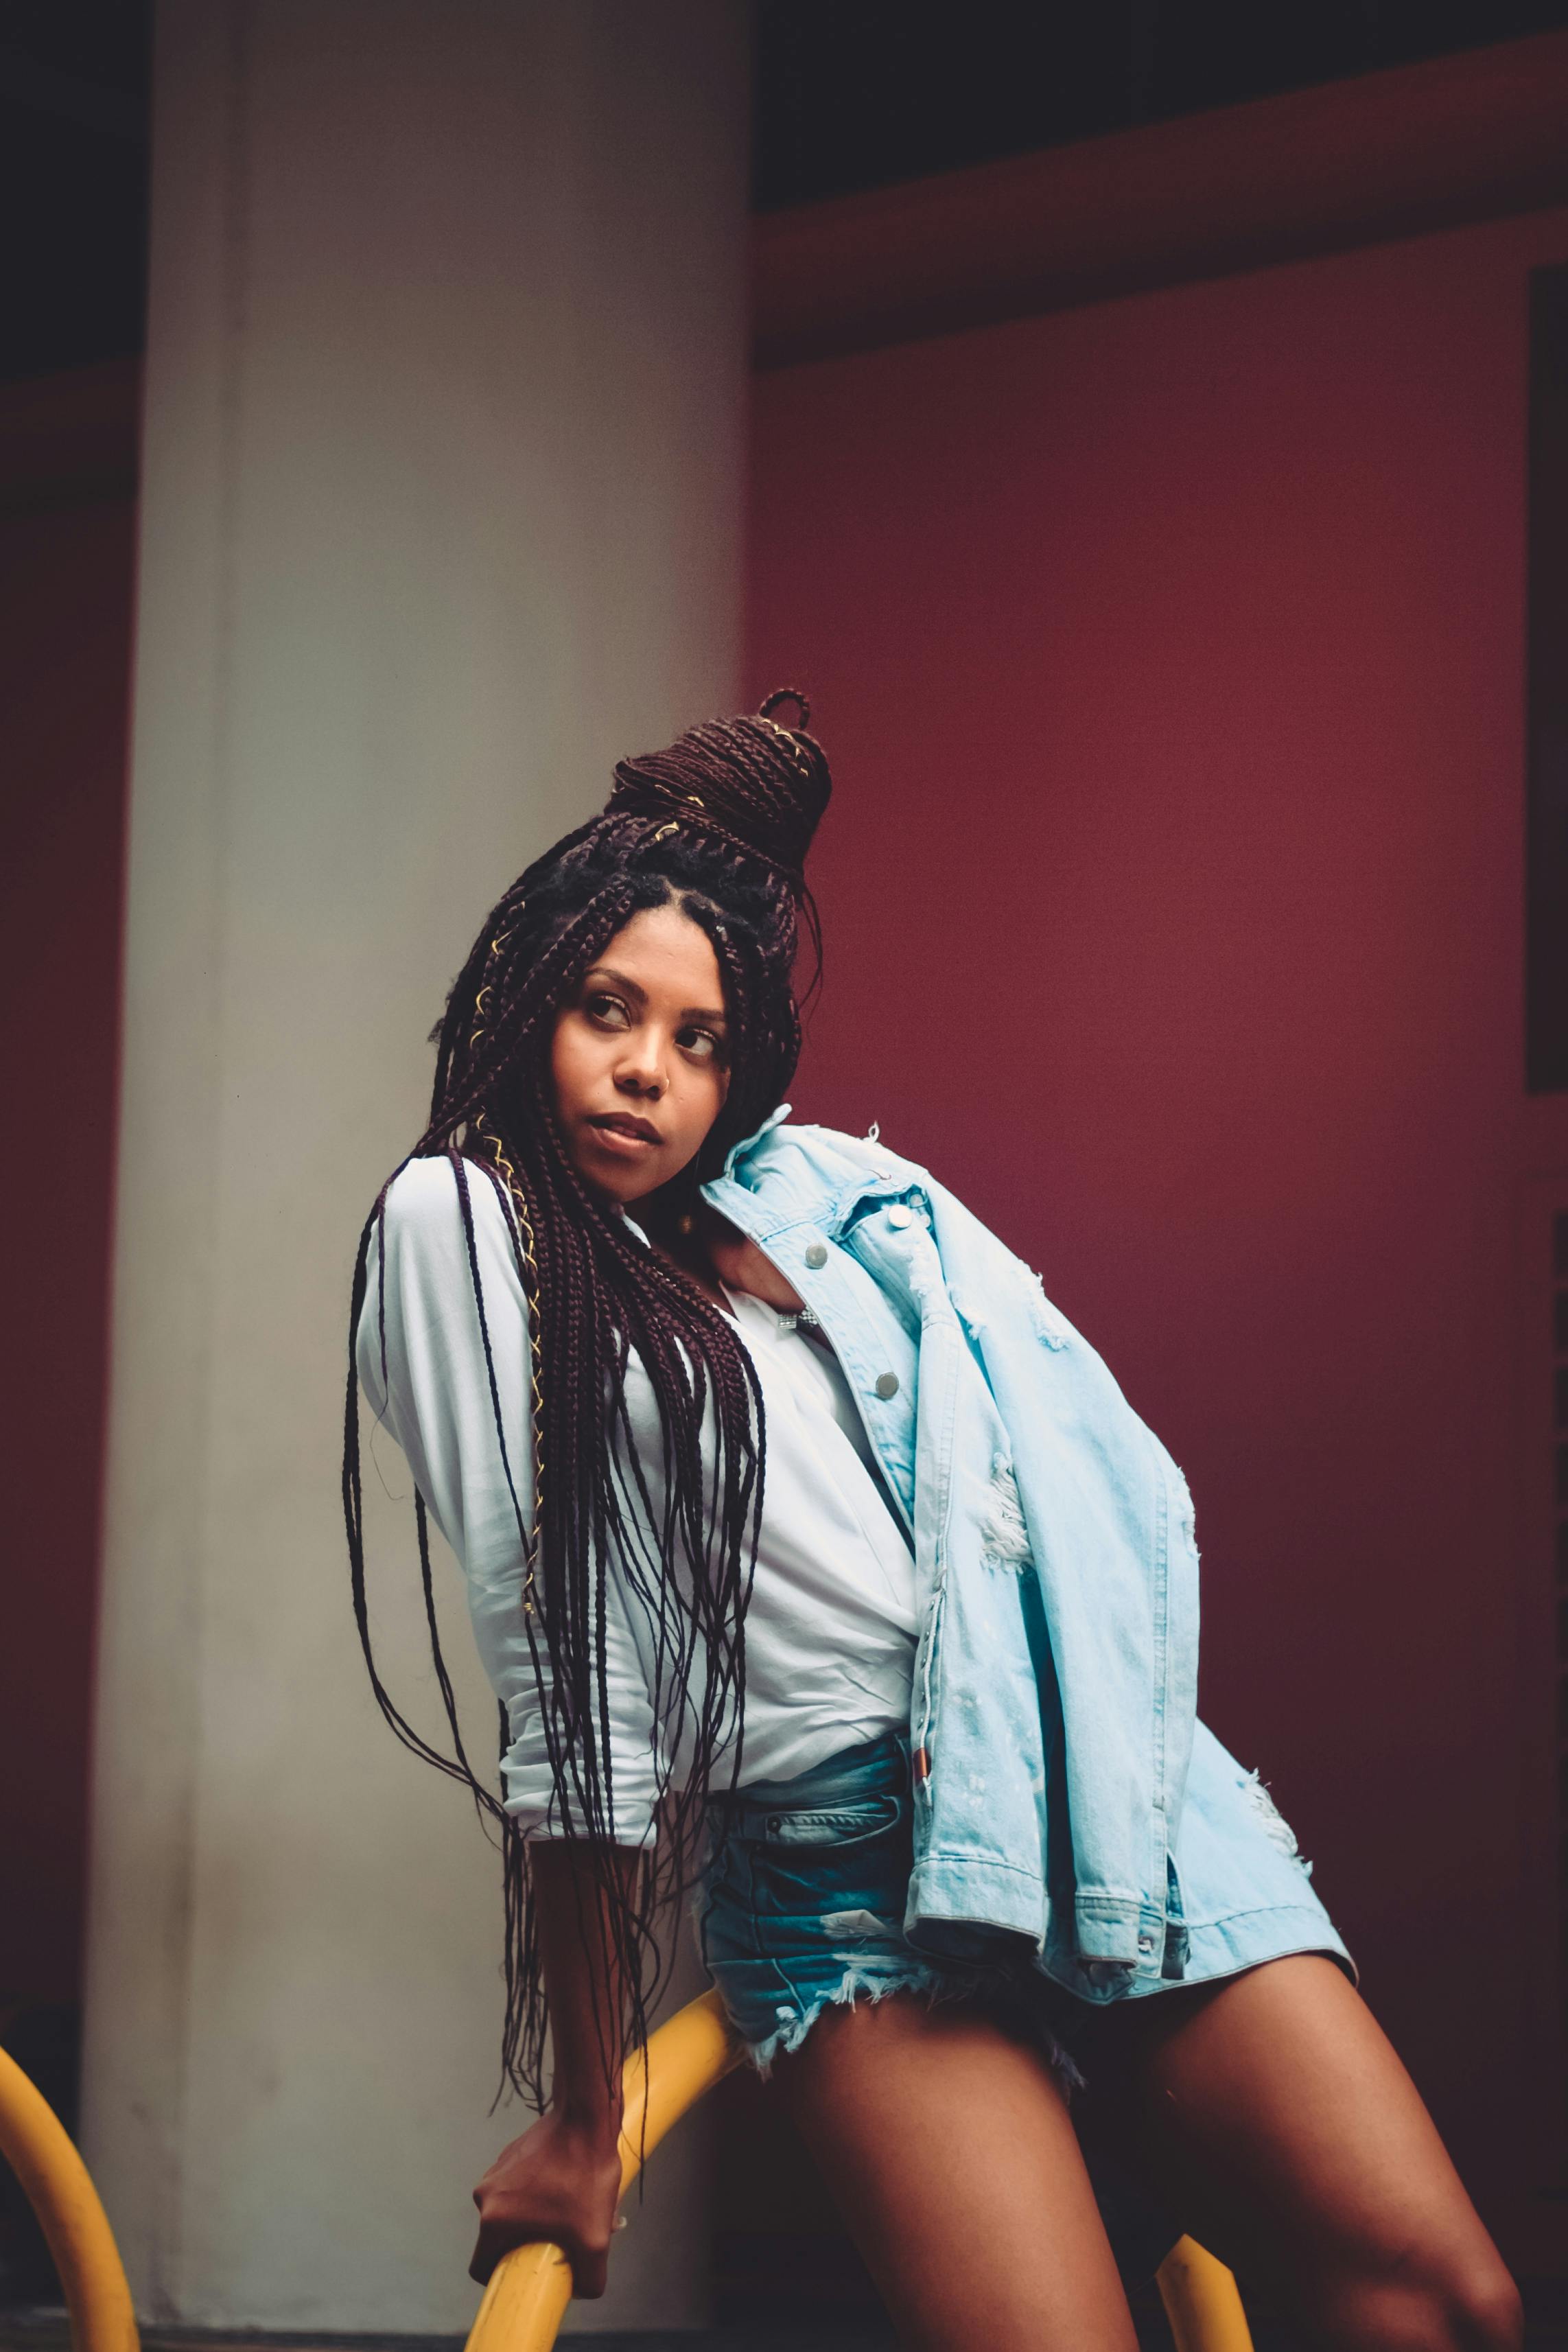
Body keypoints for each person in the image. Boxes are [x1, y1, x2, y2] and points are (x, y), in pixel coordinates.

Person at [346, 697, 1521, 2352]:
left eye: (699, 1040)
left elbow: (1078, 1478)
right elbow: (564, 1660)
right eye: (607, 1010)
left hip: (1107, 1789)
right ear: (529, 997)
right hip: (847, 1879)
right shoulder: (463, 1224)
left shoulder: (808, 1199)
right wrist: (579, 2109)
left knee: (1444, 2304)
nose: (646, 1071)